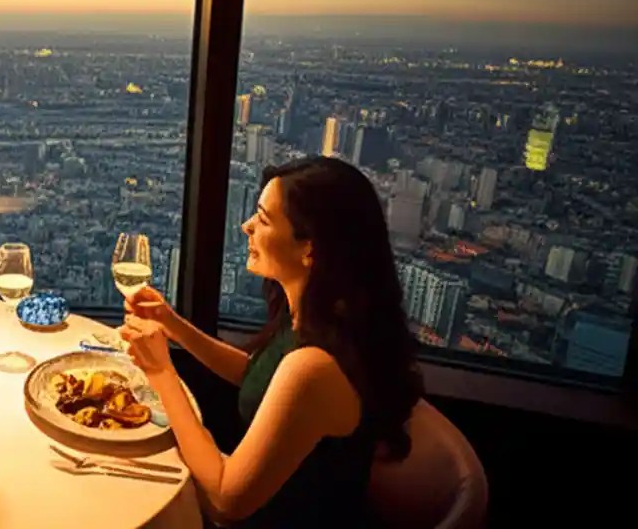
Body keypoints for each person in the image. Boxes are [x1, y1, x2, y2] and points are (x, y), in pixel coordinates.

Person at [120, 156, 422, 527]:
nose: (246, 226)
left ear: (309, 249)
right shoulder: (321, 319)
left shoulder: (314, 368)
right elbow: (259, 375)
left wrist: (162, 372)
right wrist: (174, 325)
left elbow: (225, 498)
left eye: (262, 219)